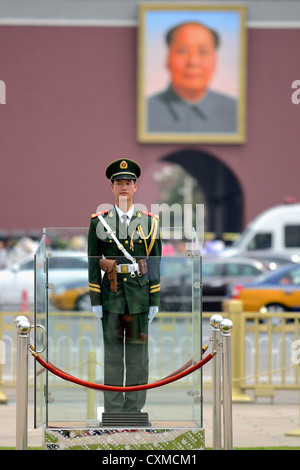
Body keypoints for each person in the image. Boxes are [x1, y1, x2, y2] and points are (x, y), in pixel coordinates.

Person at [88, 158, 161, 417]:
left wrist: (155, 300)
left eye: (128, 183)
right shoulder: (99, 222)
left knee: (138, 359)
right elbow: (93, 262)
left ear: (135, 187)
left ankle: (134, 410)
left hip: (139, 298)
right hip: (112, 296)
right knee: (113, 357)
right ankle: (114, 410)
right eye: (119, 183)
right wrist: (95, 299)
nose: (124, 187)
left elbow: (154, 263)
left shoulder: (150, 222)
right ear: (111, 187)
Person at [147, 21, 237, 133]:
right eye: (182, 51)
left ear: (215, 61)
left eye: (203, 52)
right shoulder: (144, 111)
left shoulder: (237, 111)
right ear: (167, 59)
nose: (193, 62)